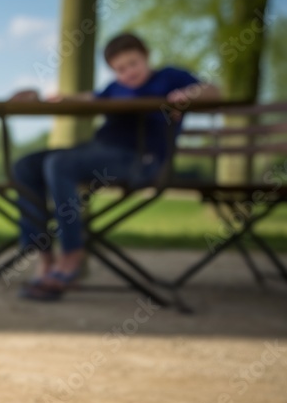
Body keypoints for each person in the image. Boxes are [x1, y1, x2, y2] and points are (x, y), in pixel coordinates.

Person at [12, 32, 221, 300]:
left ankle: (71, 254)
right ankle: (44, 257)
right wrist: (51, 99)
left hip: (140, 160)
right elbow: (89, 98)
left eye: (133, 63)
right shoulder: (115, 88)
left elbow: (213, 90)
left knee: (59, 163)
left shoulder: (169, 77)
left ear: (146, 57)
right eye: (120, 69)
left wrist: (190, 93)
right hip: (99, 153)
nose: (128, 72)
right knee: (25, 166)